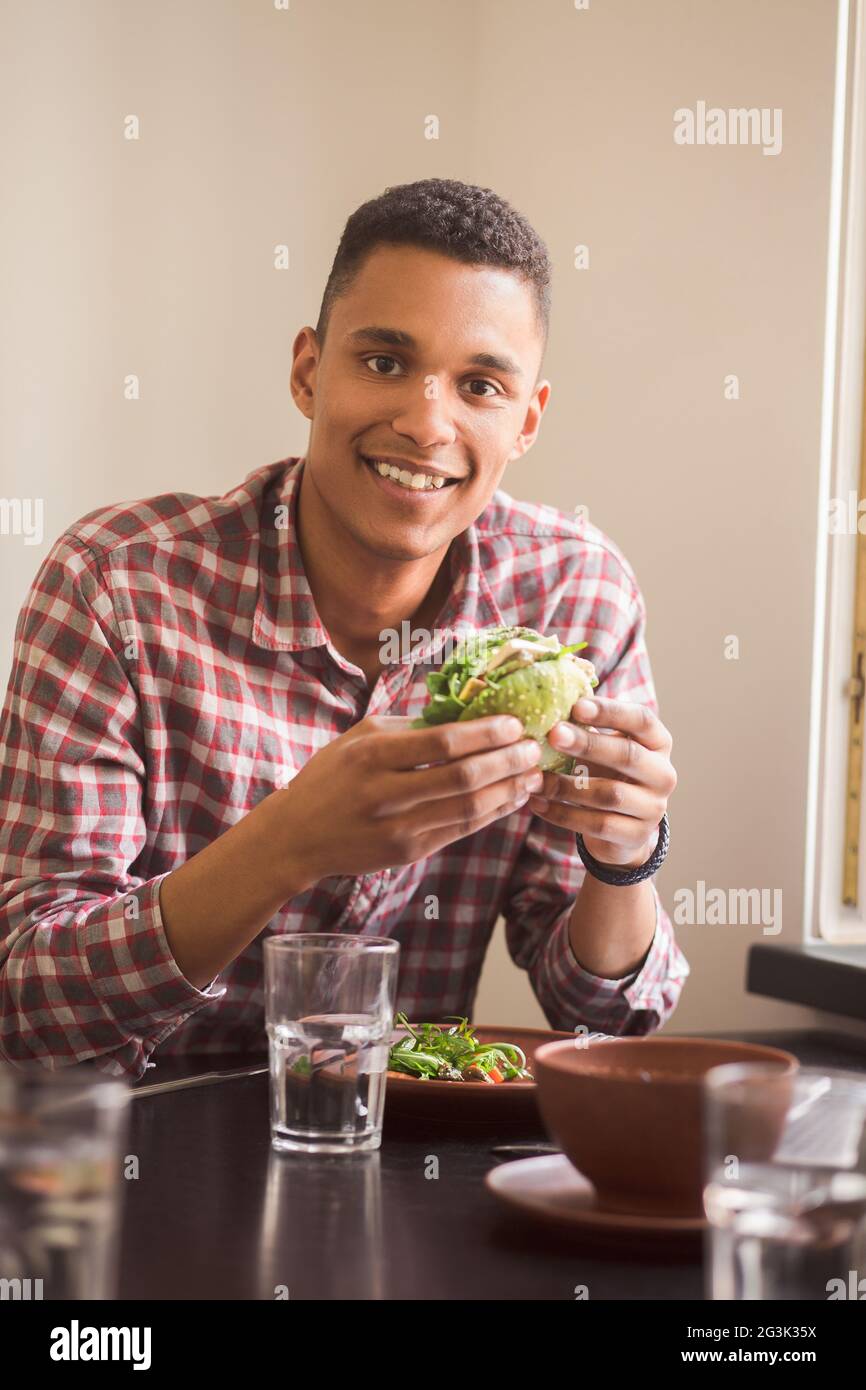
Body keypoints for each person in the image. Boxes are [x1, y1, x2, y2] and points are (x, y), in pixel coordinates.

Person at [0, 178, 688, 1079]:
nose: (425, 423)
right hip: (134, 1161)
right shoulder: (117, 584)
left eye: (479, 385)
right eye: (385, 362)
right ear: (307, 371)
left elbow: (604, 1019)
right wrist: (292, 840)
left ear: (526, 420)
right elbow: (29, 1005)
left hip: (405, 1160)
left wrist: (623, 853)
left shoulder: (572, 593)